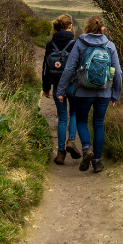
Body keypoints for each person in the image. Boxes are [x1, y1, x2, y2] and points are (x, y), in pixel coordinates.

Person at [56, 15, 122, 173]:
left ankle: (86, 148)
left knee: (81, 121)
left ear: (87, 27)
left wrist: (61, 90)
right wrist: (115, 95)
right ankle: (97, 161)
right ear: (102, 29)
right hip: (104, 92)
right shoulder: (110, 45)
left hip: (83, 91)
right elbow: (118, 72)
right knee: (98, 124)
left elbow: (69, 69)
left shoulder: (80, 43)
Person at [42, 14, 80, 165]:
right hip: (73, 85)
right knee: (74, 113)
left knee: (62, 118)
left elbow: (45, 68)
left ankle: (60, 153)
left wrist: (46, 88)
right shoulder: (75, 44)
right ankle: (71, 140)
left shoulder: (50, 44)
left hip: (58, 87)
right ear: (70, 26)